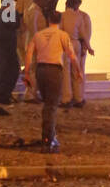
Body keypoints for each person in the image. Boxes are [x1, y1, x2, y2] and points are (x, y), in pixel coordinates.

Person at [25, 9, 81, 152]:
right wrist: (78, 71)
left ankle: (49, 135)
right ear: (60, 21)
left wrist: (26, 74)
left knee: (47, 105)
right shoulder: (63, 35)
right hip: (54, 71)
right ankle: (48, 140)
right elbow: (72, 56)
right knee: (52, 106)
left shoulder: (38, 35)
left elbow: (29, 53)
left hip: (41, 70)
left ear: (48, 20)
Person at [60, 0, 93, 106]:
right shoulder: (80, 17)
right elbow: (84, 34)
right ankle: (79, 98)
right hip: (77, 44)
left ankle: (66, 98)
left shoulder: (62, 16)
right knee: (77, 71)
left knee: (66, 72)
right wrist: (88, 47)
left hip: (66, 44)